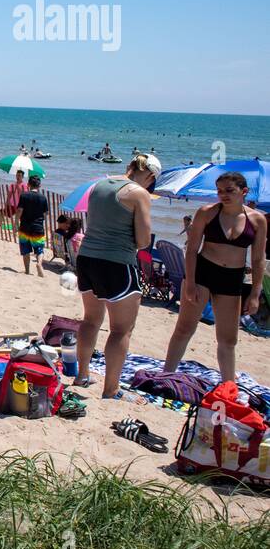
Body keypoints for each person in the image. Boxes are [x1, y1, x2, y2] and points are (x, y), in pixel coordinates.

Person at [163, 172, 267, 384]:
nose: (223, 195)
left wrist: (255, 293)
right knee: (184, 328)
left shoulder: (257, 220)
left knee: (228, 338)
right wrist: (190, 283)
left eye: (230, 190)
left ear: (244, 191)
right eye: (220, 191)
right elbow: (191, 250)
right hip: (203, 272)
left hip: (232, 278)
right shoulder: (206, 213)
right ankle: (166, 375)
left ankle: (229, 385)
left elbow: (258, 260)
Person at [73, 154, 161, 396]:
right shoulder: (139, 194)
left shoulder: (99, 185)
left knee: (90, 320)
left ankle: (82, 375)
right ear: (151, 176)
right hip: (117, 263)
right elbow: (143, 241)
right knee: (121, 330)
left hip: (87, 259)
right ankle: (111, 389)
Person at [15, 174, 49, 277]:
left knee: (25, 249)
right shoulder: (43, 198)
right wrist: (45, 226)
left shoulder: (24, 195)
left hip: (25, 226)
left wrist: (16, 221)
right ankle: (39, 264)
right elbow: (45, 214)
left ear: (28, 184)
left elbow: (20, 210)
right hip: (38, 227)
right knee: (39, 249)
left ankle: (27, 271)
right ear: (39, 186)